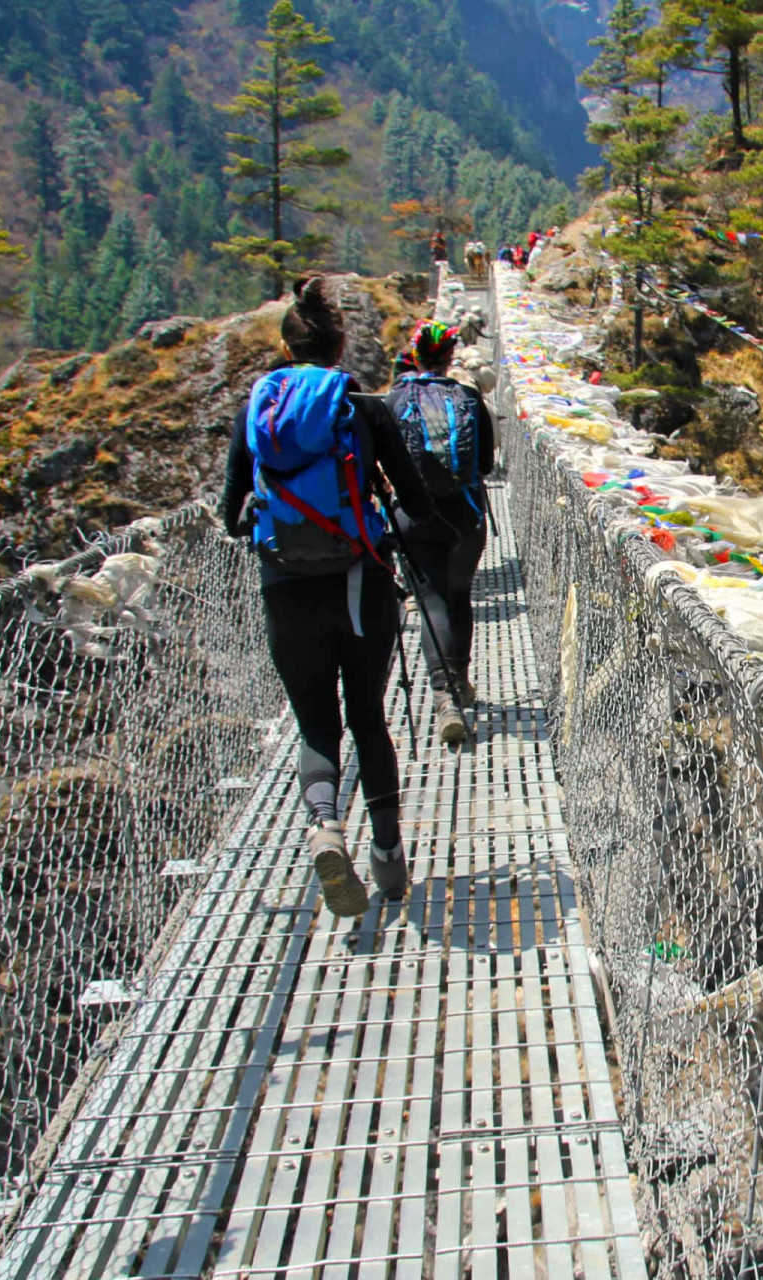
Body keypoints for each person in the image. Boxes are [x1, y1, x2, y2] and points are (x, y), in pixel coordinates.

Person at [221, 274, 436, 916]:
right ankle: (389, 860)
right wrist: (387, 525)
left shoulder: (257, 414)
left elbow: (229, 513)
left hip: (285, 588)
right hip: (360, 587)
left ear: (288, 351)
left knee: (316, 725)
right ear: (341, 349)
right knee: (368, 719)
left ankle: (324, 827)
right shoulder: (364, 410)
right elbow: (416, 507)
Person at [386, 321, 497, 747]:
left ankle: (444, 696)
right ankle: (462, 681)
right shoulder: (468, 397)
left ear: (415, 357)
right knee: (458, 595)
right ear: (451, 358)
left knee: (430, 599)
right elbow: (485, 463)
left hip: (415, 516)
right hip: (465, 515)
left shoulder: (395, 400)